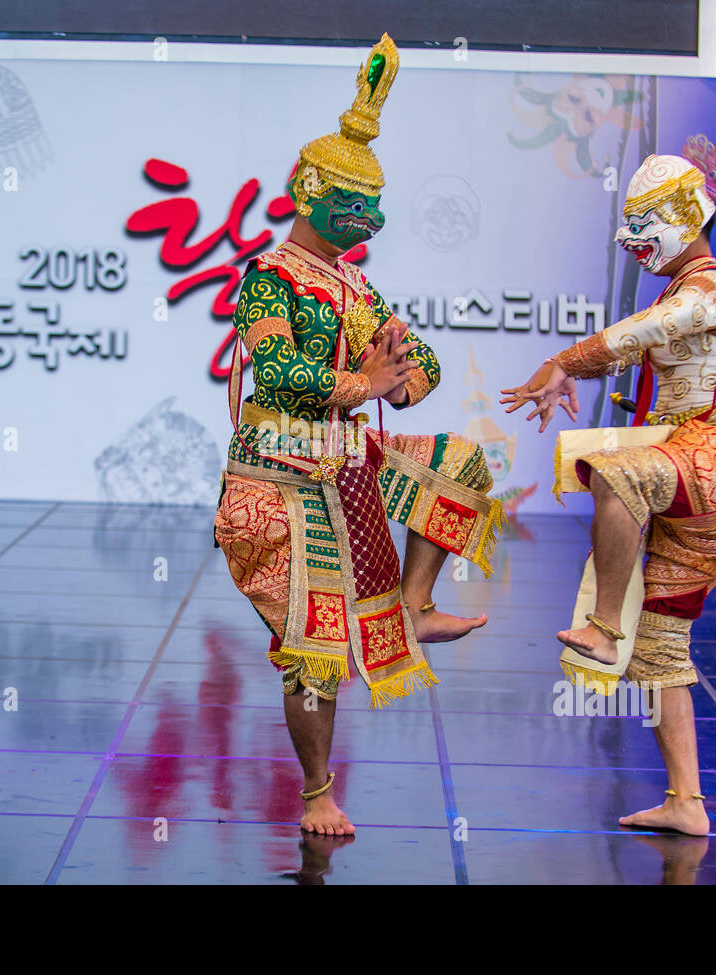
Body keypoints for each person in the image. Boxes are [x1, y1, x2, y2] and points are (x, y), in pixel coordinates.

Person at [214, 34, 504, 836]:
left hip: (348, 467)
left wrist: (402, 381)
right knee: (316, 645)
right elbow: (273, 373)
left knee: (461, 461)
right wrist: (362, 384)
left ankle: (413, 605)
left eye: (373, 204)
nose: (368, 216)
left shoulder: (353, 283)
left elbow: (425, 360)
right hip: (275, 483)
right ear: (309, 191)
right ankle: (316, 793)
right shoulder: (270, 278)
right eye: (353, 199)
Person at [500, 154, 716, 836]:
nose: (633, 244)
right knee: (661, 648)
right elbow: (634, 346)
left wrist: (559, 364)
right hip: (698, 467)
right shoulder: (680, 292)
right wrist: (568, 375)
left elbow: (636, 336)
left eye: (644, 227)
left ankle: (604, 628)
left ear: (686, 220)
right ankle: (687, 802)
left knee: (620, 471)